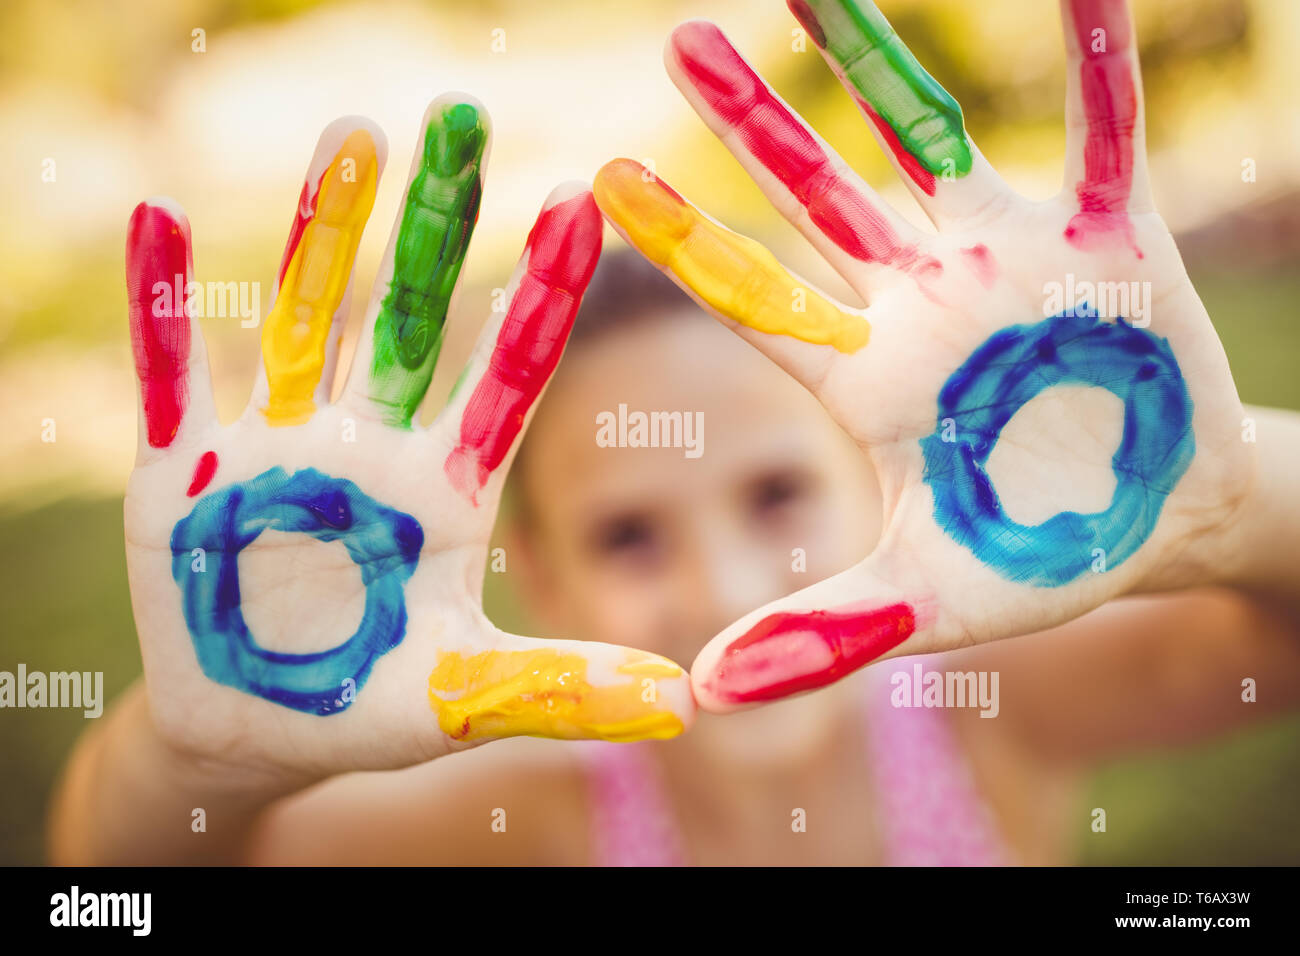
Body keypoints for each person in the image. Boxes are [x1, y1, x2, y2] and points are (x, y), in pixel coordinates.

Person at [49, 0, 1300, 865]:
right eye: (629, 534)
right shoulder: (522, 811)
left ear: (881, 487)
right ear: (533, 576)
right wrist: (193, 765)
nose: (723, 585)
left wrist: (1236, 505)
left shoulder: (992, 712)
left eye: (772, 494)